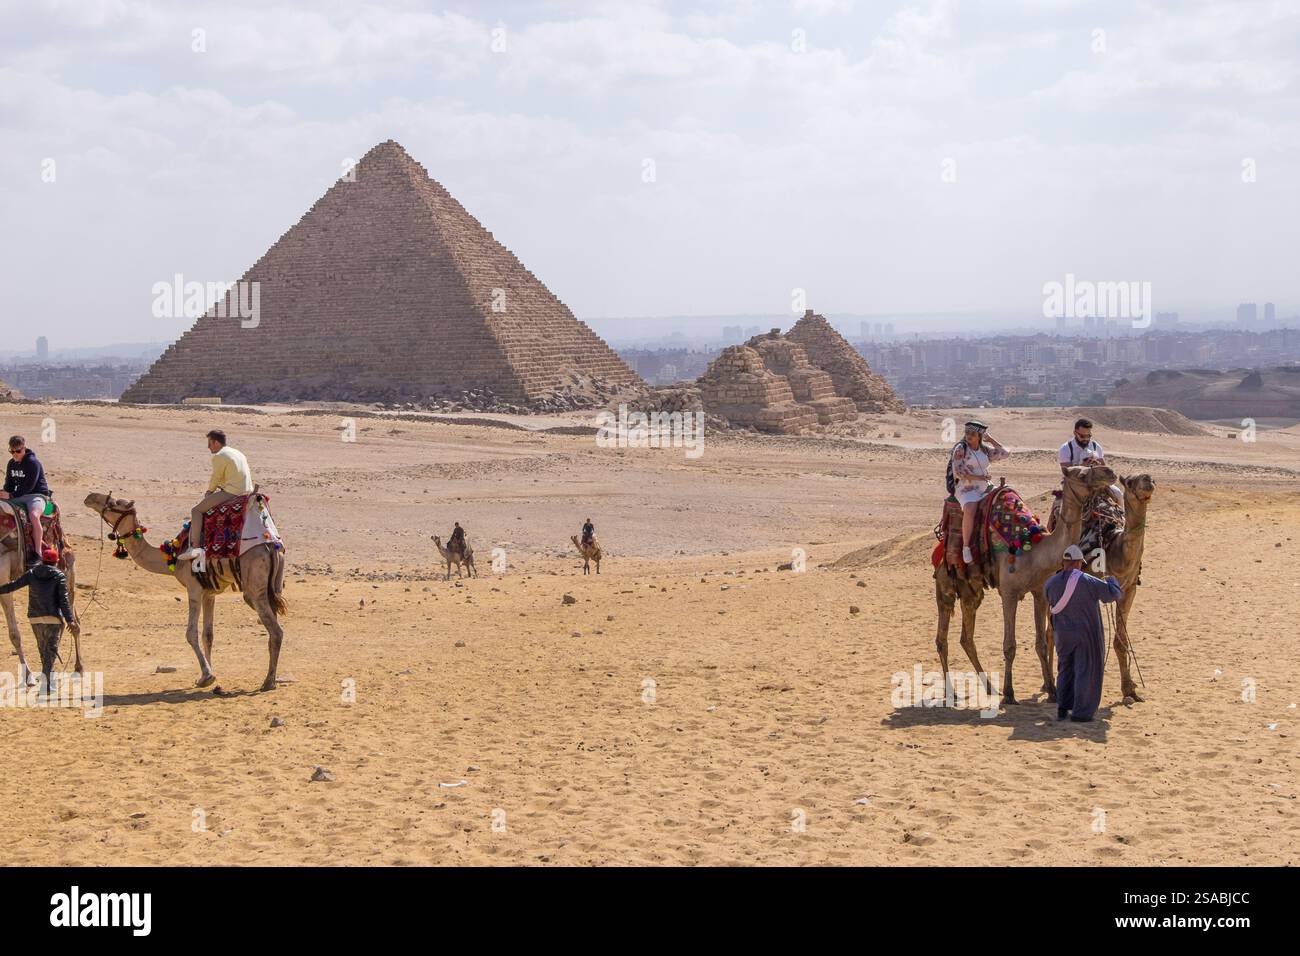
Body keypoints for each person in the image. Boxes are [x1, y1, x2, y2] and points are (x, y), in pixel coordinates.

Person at [1045, 544, 1122, 722]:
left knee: (1065, 669)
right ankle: (1081, 713)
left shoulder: (1050, 583)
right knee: (1085, 669)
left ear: (1064, 562)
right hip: (1086, 634)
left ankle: (1063, 707)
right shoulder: (1088, 581)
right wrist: (1112, 581)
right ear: (1079, 563)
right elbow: (1111, 595)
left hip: (1062, 635)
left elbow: (1050, 600)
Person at [0, 546, 79, 694]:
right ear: (56, 562)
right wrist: (70, 620)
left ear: (42, 560)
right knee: (51, 651)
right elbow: (64, 600)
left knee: (43, 651)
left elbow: (13, 586)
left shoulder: (31, 573)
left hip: (35, 618)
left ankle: (48, 683)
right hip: (53, 618)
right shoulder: (59, 576)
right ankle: (48, 685)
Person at [179, 430, 254, 562]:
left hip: (233, 492)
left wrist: (209, 492)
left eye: (210, 443)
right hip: (248, 491)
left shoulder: (219, 455)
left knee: (196, 511)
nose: (208, 447)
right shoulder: (237, 452)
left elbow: (216, 477)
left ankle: (194, 548)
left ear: (216, 442)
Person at [949, 421, 1009, 565]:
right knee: (970, 509)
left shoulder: (984, 450)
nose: (969, 436)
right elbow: (959, 473)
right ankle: (966, 547)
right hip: (966, 488)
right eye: (967, 433)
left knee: (1006, 498)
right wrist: (980, 477)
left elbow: (1005, 453)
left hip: (984, 487)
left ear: (980, 436)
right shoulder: (961, 449)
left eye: (973, 434)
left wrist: (991, 439)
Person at [1, 435, 51, 564]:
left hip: (37, 495)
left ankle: (38, 553)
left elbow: (30, 486)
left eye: (18, 451)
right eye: (12, 451)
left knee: (34, 515)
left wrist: (11, 496)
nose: (15, 454)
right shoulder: (11, 464)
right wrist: (4, 492)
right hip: (19, 496)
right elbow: (9, 485)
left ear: (24, 448)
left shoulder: (33, 463)